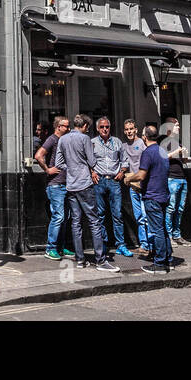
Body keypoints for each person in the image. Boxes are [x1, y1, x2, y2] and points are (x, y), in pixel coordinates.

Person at [57, 113, 117, 271]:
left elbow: (58, 163)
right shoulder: (85, 139)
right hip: (84, 183)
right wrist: (84, 164)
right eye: (87, 128)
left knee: (76, 223)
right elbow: (92, 161)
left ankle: (80, 259)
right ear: (84, 126)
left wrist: (71, 168)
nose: (87, 130)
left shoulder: (63, 139)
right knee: (94, 221)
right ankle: (100, 260)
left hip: (71, 185)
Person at [129, 122, 171, 274]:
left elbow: (141, 174)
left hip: (152, 196)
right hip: (163, 195)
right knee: (163, 229)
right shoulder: (162, 151)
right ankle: (167, 259)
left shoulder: (148, 152)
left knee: (157, 230)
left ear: (144, 137)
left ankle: (160, 263)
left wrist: (128, 179)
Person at [92, 117, 133, 257]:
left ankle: (121, 245)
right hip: (99, 181)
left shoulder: (117, 142)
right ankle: (102, 245)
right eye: (102, 127)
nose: (105, 129)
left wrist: (122, 172)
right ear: (97, 128)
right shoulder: (92, 143)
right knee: (100, 215)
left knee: (117, 214)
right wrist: (92, 172)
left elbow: (125, 160)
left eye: (107, 127)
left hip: (114, 181)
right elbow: (87, 161)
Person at [34, 115, 74, 261]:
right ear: (58, 127)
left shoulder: (63, 140)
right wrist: (48, 169)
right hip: (55, 185)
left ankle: (60, 247)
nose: (68, 129)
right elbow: (38, 155)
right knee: (58, 216)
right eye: (66, 126)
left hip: (65, 183)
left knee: (65, 217)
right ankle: (50, 248)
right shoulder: (52, 139)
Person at [119, 118, 150, 256]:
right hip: (132, 185)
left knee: (146, 215)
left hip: (144, 184)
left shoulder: (142, 144)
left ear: (136, 129)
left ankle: (150, 244)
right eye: (127, 129)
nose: (129, 131)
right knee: (138, 216)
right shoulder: (124, 146)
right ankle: (143, 245)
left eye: (131, 129)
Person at [160, 114, 190, 246]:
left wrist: (185, 155)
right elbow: (161, 158)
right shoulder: (163, 141)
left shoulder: (178, 141)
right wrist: (175, 153)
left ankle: (177, 235)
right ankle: (169, 236)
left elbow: (184, 160)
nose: (179, 127)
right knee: (170, 208)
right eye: (177, 125)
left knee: (180, 209)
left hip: (182, 178)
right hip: (170, 178)